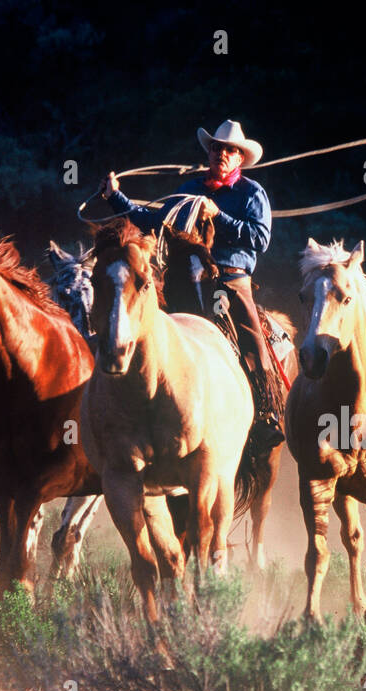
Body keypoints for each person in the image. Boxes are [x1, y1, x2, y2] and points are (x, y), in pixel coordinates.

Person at [101, 119, 285, 450]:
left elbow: (260, 238)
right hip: (186, 278)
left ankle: (267, 412)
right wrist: (116, 199)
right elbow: (152, 219)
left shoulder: (251, 193)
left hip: (230, 277)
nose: (222, 154)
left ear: (240, 158)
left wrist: (218, 215)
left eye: (230, 149)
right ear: (210, 153)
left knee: (250, 332)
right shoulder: (189, 190)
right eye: (217, 148)